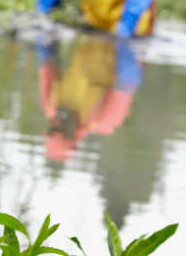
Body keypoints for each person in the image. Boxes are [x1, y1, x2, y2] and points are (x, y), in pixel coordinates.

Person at [37, 32, 144, 162]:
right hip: (117, 42)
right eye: (61, 129)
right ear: (74, 136)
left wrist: (46, 34)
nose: (56, 122)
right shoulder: (103, 120)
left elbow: (48, 62)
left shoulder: (50, 105)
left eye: (52, 128)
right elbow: (128, 82)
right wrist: (122, 42)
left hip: (87, 35)